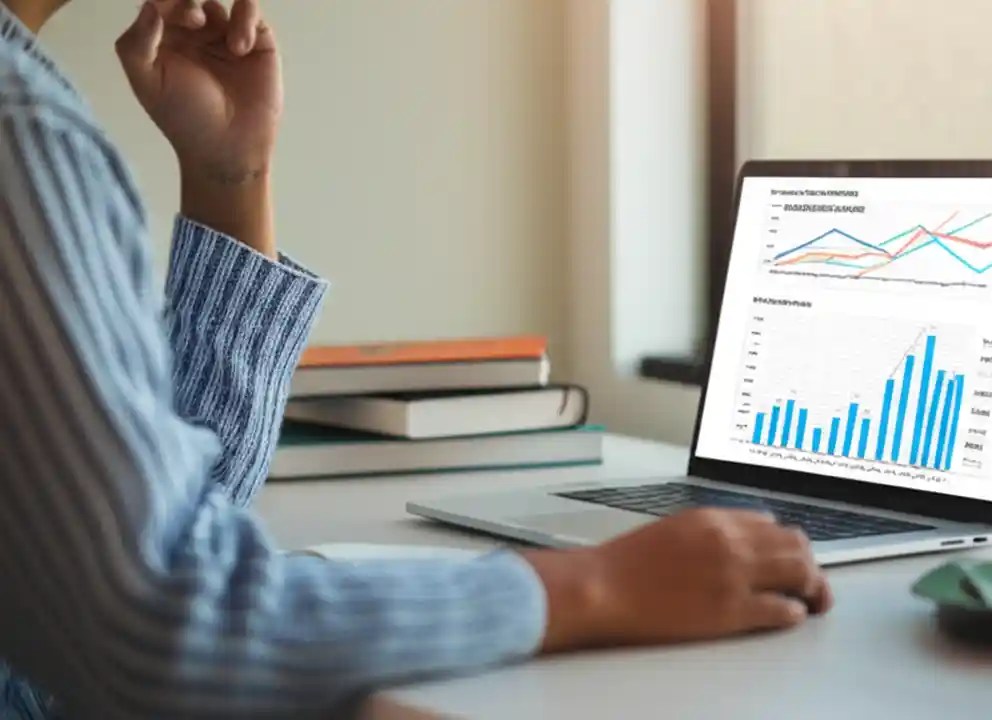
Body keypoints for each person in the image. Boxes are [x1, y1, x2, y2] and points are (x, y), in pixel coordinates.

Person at [0, 0, 833, 716]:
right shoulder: (21, 126)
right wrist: (596, 589)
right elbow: (157, 626)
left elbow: (146, 542)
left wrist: (232, 174)